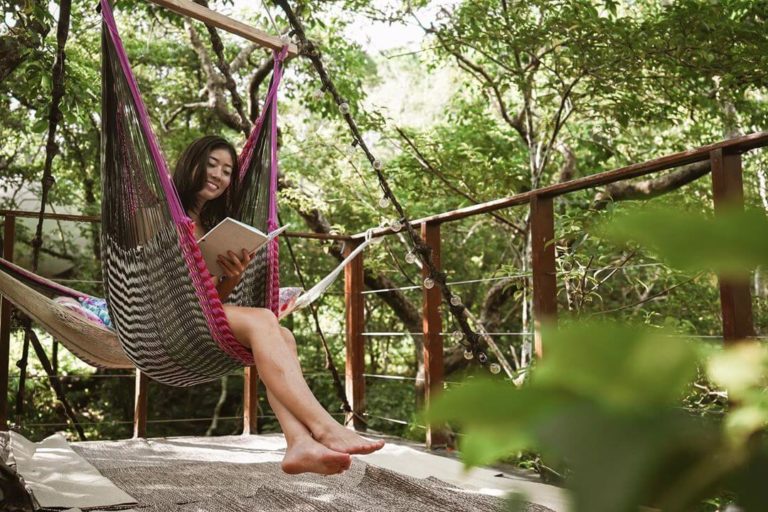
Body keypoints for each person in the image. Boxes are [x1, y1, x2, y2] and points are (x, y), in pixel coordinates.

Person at [172, 136, 385, 476]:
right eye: (211, 164)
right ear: (190, 163)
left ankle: (298, 443)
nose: (218, 175)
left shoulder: (212, 227)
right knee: (262, 320)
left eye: (227, 171)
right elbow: (161, 279)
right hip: (168, 318)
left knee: (282, 335)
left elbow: (214, 301)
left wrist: (232, 275)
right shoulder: (161, 213)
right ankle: (325, 427)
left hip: (199, 317)